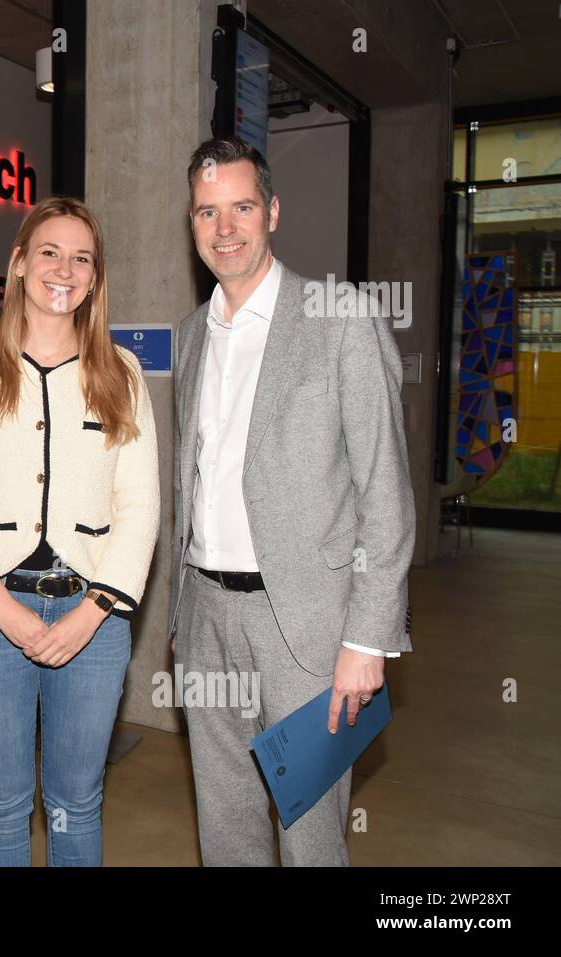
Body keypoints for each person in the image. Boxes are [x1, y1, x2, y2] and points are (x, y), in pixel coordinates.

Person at [169, 137, 414, 866]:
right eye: (207, 212)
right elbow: (195, 479)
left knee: (309, 834)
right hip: (208, 617)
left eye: (241, 207)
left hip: (308, 628)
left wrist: (368, 639)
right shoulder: (191, 335)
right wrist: (184, 610)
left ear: (271, 211)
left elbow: (385, 489)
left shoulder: (341, 318)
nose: (225, 228)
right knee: (225, 823)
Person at [0, 196, 160, 866]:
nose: (65, 269)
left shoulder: (122, 373)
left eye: (82, 258)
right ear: (20, 263)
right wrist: (1, 605)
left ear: (95, 277)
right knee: (1, 805)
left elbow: (141, 507)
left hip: (95, 613)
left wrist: (92, 612)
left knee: (76, 801)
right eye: (50, 252)